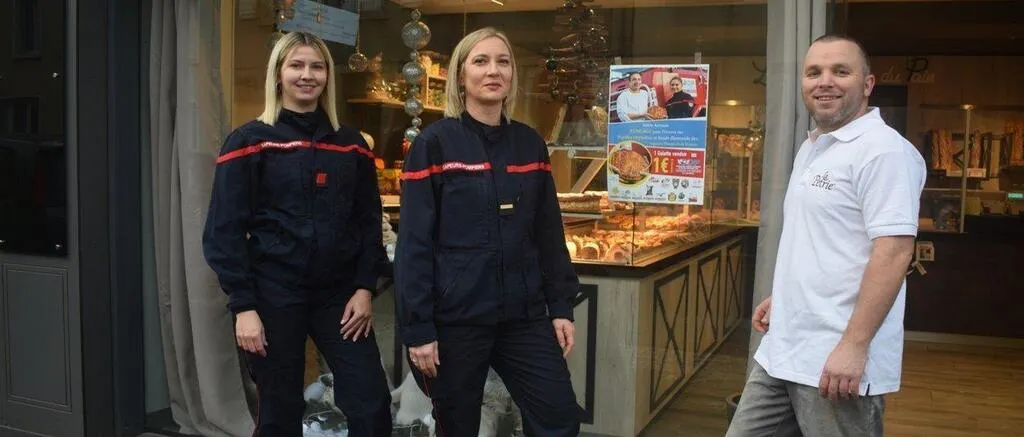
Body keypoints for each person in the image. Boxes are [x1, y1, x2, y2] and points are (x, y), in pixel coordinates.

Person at [725, 34, 926, 437]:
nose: (825, 81)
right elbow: (822, 242)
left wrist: (853, 347)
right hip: (783, 348)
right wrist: (785, 295)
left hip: (835, 363)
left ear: (867, 85)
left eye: (841, 71)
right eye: (814, 72)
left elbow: (893, 254)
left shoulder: (883, 151)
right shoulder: (815, 146)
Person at [393, 27, 582, 437]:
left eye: (503, 61)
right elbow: (414, 245)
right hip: (455, 320)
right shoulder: (434, 144)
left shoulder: (529, 145)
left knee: (560, 418)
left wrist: (561, 306)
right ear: (460, 77)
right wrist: (418, 328)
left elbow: (548, 234)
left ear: (512, 74)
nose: (493, 70)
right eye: (480, 61)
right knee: (457, 426)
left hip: (524, 317)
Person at [202, 31, 392, 437]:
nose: (307, 75)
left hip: (339, 298)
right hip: (273, 295)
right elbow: (224, 231)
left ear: (328, 76)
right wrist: (244, 306)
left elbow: (367, 222)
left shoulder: (352, 146)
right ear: (278, 74)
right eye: (297, 65)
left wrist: (364, 288)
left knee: (371, 402)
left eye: (317, 66)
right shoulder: (249, 142)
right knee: (278, 411)